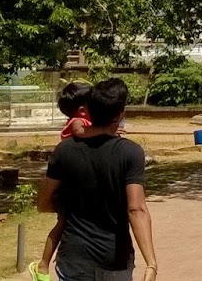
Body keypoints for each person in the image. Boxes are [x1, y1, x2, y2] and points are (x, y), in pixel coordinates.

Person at [39, 78, 158, 281]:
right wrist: (151, 263)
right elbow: (136, 209)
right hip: (115, 260)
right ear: (120, 114)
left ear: (89, 110)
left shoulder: (65, 150)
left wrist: (65, 209)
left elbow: (43, 203)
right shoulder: (130, 152)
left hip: (74, 259)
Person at [35, 82, 99, 281]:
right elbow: (81, 134)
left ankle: (44, 264)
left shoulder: (83, 121)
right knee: (63, 223)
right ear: (82, 109)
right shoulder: (77, 122)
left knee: (64, 223)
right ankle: (43, 265)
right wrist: (104, 133)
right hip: (67, 184)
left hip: (72, 179)